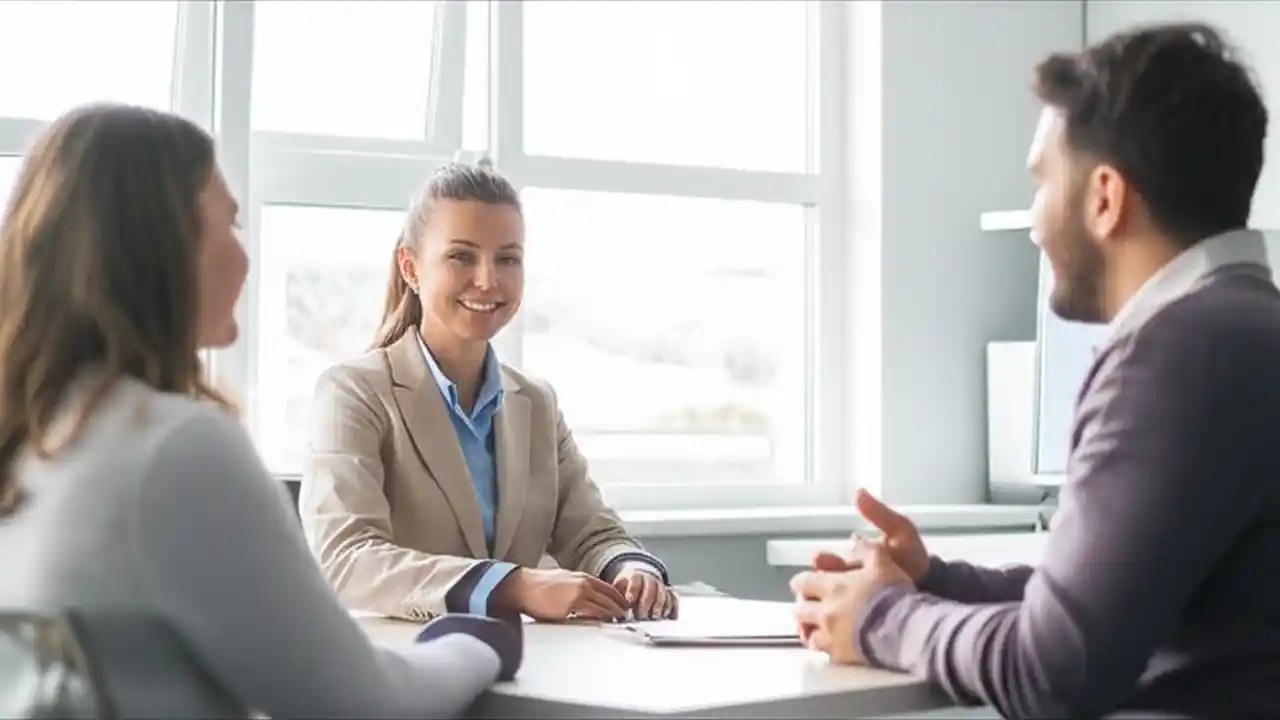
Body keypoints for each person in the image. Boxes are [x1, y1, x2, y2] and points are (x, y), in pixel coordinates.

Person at [791, 22, 1280, 719]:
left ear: (1105, 198)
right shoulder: (1243, 332)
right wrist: (933, 581)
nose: (1033, 222)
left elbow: (1055, 670)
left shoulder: (1175, 357)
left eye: (1042, 183)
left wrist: (883, 618)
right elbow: (1106, 602)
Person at [0, 104, 520, 719]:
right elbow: (366, 706)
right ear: (162, 247)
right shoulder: (175, 450)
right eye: (230, 227)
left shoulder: (44, 439)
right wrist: (477, 641)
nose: (244, 260)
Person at [302, 161, 677, 623]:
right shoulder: (354, 392)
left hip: (520, 666)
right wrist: (513, 586)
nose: (487, 280)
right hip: (401, 665)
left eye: (507, 258)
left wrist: (630, 568)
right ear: (411, 267)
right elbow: (346, 559)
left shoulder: (536, 403)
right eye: (461, 256)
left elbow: (591, 532)